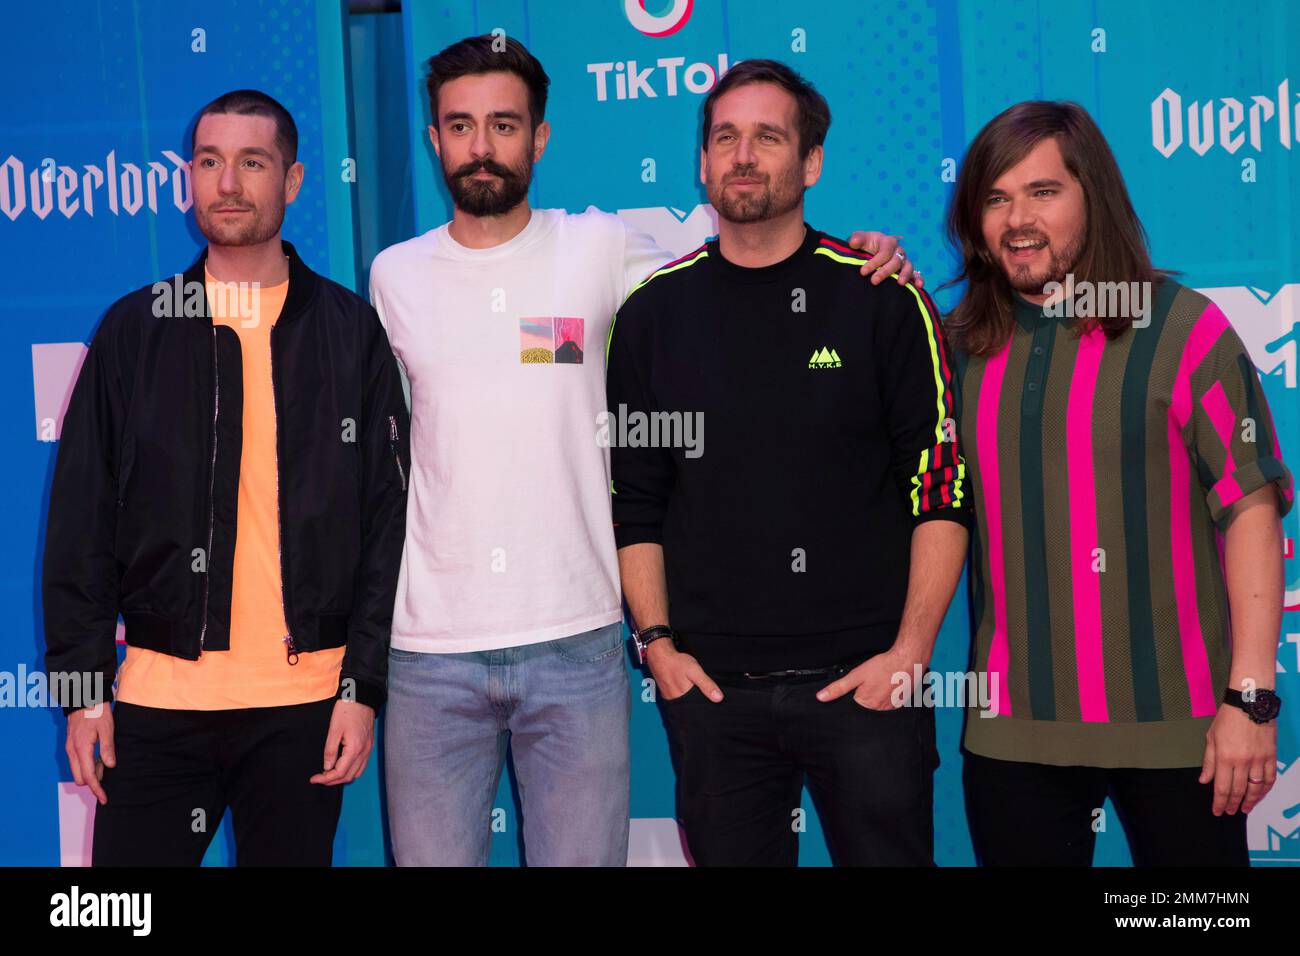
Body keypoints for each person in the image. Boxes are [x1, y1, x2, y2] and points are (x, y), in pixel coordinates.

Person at [371, 36, 919, 866]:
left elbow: (744, 269)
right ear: (434, 138)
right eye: (460, 125)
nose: (481, 146)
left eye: (504, 124)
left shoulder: (600, 248)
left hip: (580, 638)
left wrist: (868, 257)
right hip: (428, 653)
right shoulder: (393, 276)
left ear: (541, 137)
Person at [606, 59, 970, 866]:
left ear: (810, 163)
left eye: (768, 137)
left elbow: (942, 490)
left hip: (866, 689)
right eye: (725, 138)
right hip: (712, 698)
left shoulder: (882, 299)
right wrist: (659, 648)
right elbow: (637, 498)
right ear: (701, 164)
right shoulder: (653, 316)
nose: (743, 155)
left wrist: (909, 656)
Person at [44, 90, 409, 866]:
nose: (228, 183)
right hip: (157, 704)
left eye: (252, 162)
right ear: (189, 178)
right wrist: (84, 691)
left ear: (295, 179)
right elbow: (80, 524)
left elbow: (385, 523)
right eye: (209, 162)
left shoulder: (348, 332)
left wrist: (362, 687)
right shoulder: (135, 330)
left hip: (303, 706)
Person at [945, 100, 1291, 866]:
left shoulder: (1185, 330)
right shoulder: (957, 350)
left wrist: (1251, 700)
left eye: (1042, 192)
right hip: (1012, 734)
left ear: (1092, 196)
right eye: (995, 199)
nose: (1016, 220)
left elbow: (1252, 514)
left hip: (1185, 731)